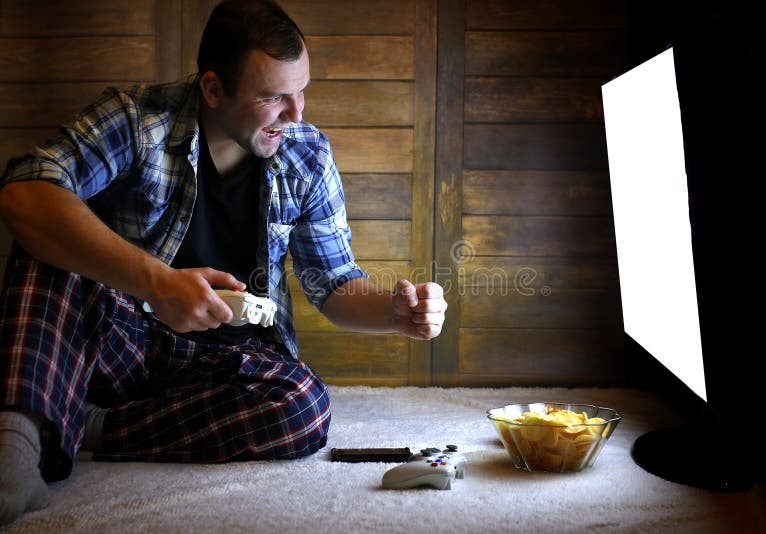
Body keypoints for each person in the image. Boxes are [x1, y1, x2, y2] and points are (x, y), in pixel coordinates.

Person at [0, 0, 446, 525]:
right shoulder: (137, 119)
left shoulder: (308, 155)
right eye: (273, 96)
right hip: (122, 341)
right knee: (45, 243)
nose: (296, 112)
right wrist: (159, 284)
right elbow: (24, 192)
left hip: (222, 369)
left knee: (303, 403)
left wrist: (394, 313)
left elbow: (333, 282)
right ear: (213, 90)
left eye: (301, 90)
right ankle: (15, 451)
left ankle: (88, 425)